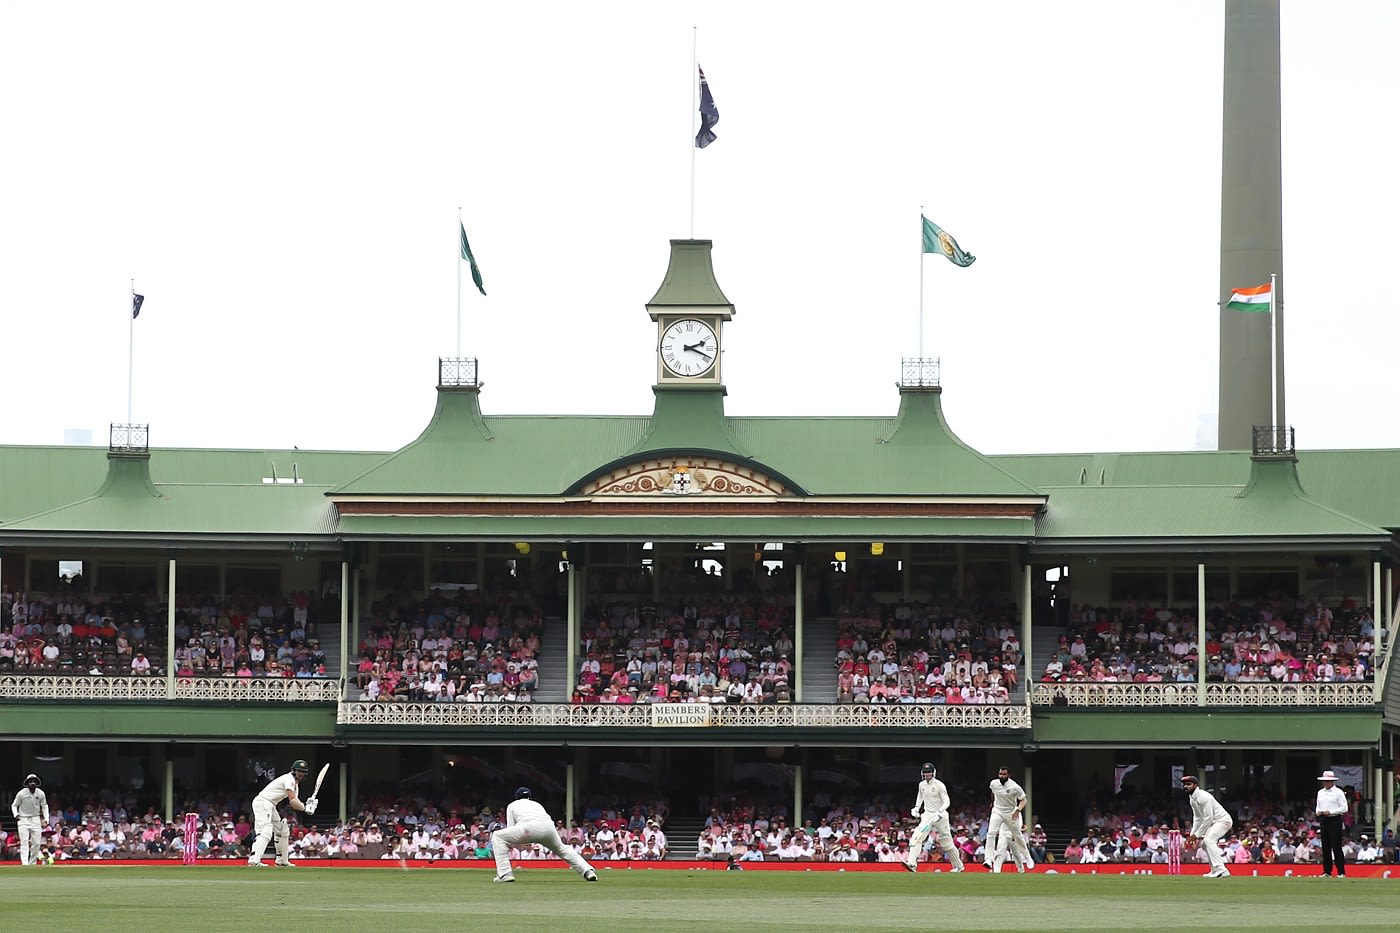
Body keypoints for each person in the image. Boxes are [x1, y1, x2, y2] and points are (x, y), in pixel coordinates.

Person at [490, 786, 596, 883]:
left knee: (497, 836)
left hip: (527, 829)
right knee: (562, 849)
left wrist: (511, 843)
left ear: (517, 797)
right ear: (529, 797)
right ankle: (588, 871)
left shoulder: (512, 805)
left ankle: (505, 873)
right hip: (548, 828)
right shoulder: (537, 804)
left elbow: (511, 828)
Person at [247, 758, 315, 867]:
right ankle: (254, 860)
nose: (301, 773)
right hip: (263, 802)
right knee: (266, 830)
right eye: (299, 771)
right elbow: (293, 800)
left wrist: (306, 805)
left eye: (303, 772)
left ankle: (282, 860)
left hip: (270, 804)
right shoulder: (289, 779)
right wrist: (305, 808)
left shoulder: (295, 785)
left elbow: (294, 803)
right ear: (294, 771)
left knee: (282, 830)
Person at [903, 761, 965, 873]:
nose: (927, 775)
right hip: (927, 816)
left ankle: (958, 866)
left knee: (947, 844)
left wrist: (939, 812)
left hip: (941, 816)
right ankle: (912, 863)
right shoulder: (921, 785)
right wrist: (916, 808)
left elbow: (947, 802)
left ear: (933, 773)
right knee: (917, 836)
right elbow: (920, 797)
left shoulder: (939, 785)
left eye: (929, 773)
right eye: (925, 773)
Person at [1181, 774, 1232, 878]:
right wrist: (1193, 834)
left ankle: (1221, 869)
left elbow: (1208, 818)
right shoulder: (1192, 799)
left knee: (1209, 841)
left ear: (1195, 785)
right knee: (1204, 844)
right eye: (1185, 785)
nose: (1186, 786)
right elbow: (1198, 818)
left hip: (1223, 821)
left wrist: (1197, 835)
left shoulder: (1204, 797)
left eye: (1189, 784)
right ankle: (1214, 870)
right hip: (1214, 823)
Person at [985, 766, 1032, 872]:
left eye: (1004, 774)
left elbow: (1023, 800)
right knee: (995, 839)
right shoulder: (994, 783)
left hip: (1011, 817)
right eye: (1000, 774)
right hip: (999, 815)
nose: (1001, 776)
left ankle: (1023, 865)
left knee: (1016, 845)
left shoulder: (1015, 787)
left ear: (1009, 775)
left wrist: (1017, 811)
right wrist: (992, 803)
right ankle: (990, 861)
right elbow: (993, 792)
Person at [1314, 768, 1349, 877]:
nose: (1325, 783)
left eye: (1327, 781)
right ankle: (1327, 871)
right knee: (1325, 847)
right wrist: (1318, 812)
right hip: (1324, 819)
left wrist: (1331, 812)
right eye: (1324, 781)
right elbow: (1318, 805)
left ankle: (1341, 872)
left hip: (1334, 819)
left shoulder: (1338, 792)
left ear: (1332, 781)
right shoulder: (1320, 792)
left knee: (1336, 846)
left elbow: (1344, 808)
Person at [11, 773, 50, 865]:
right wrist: (16, 815)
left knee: (36, 843)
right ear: (27, 783)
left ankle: (32, 863)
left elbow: (44, 806)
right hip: (23, 819)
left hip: (35, 819)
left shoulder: (40, 793)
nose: (32, 783)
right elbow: (14, 805)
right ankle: (25, 863)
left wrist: (46, 819)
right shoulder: (21, 793)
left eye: (34, 781)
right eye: (30, 781)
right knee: (24, 842)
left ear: (37, 783)